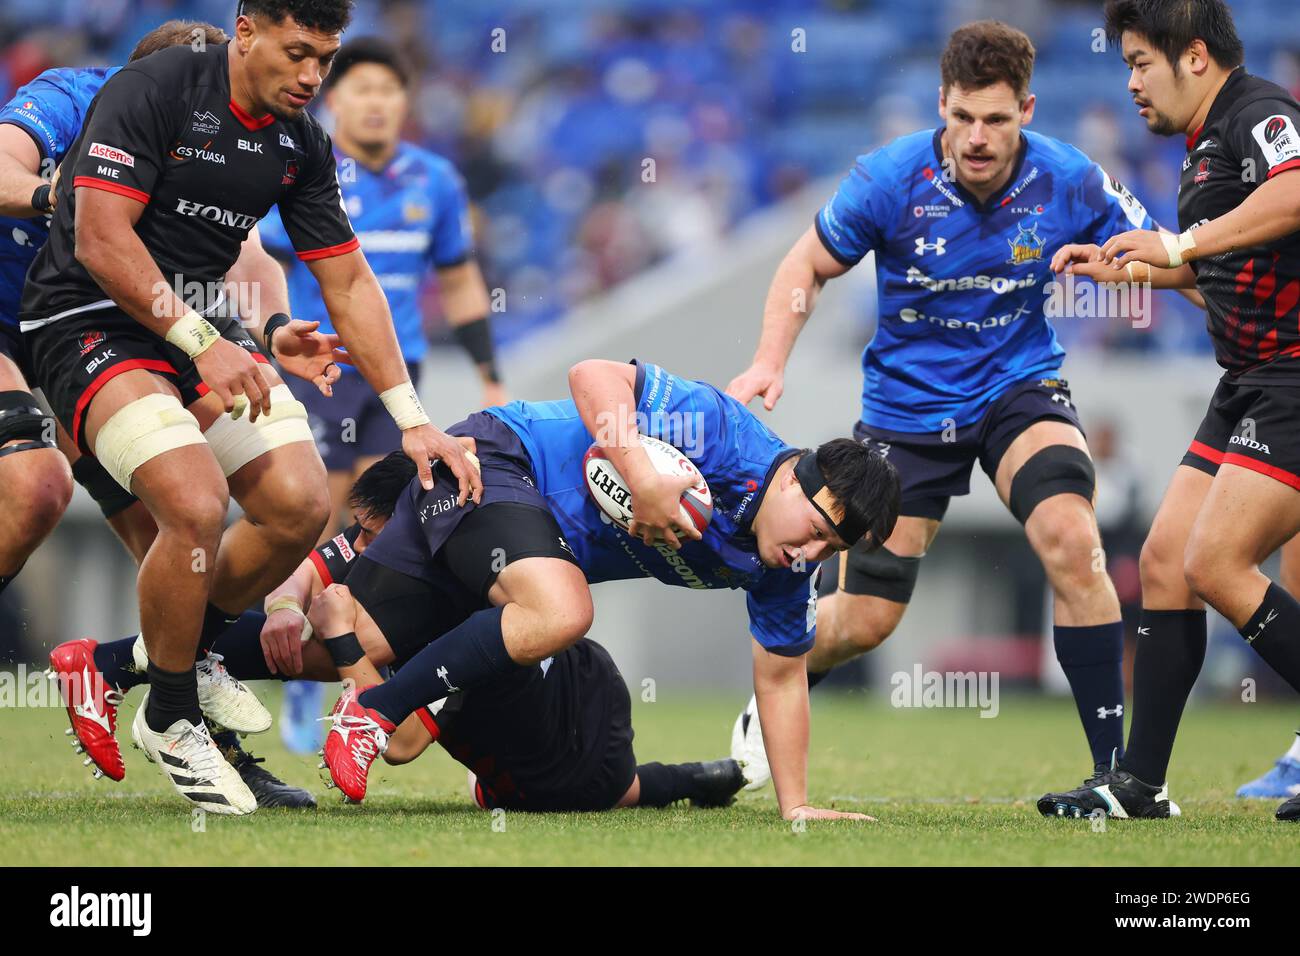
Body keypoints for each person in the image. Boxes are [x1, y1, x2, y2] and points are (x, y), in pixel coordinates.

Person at [20, 0, 480, 815]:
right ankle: (169, 713)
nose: (312, 76)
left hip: (197, 334)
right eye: (298, 52)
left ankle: (146, 664)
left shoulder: (300, 142)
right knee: (193, 506)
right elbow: (99, 238)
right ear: (247, 30)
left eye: (326, 59)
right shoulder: (150, 88)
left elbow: (344, 277)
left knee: (301, 505)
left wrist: (411, 417)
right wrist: (206, 337)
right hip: (82, 322)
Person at [724, 20, 1162, 790]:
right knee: (865, 620)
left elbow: (1164, 252)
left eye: (995, 119)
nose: (977, 138)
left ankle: (1118, 776)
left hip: (1017, 388)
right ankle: (776, 680)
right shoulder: (889, 178)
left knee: (1070, 534)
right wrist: (769, 358)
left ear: (1027, 110)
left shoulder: (1072, 177)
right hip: (906, 412)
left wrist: (1128, 271)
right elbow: (807, 264)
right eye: (961, 117)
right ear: (941, 106)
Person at [315, 358, 899, 821]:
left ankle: (226, 672)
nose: (812, 554)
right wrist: (642, 480)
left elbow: (781, 677)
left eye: (832, 551)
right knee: (563, 612)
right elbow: (592, 375)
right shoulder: (724, 434)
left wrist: (795, 805)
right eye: (817, 533)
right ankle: (372, 709)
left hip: (520, 554)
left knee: (322, 644)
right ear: (796, 481)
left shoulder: (787, 569)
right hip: (502, 462)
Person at [1039, 0, 1300, 823]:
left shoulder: (1260, 113)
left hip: (1294, 373)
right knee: (1164, 561)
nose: (1130, 83)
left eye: (1140, 62)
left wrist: (1178, 245)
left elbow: (1296, 196)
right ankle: (1138, 786)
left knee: (1216, 562)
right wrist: (1137, 268)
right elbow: (1224, 260)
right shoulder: (1202, 149)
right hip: (1247, 377)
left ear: (1194, 57)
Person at [256, 36, 503, 752]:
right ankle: (298, 672)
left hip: (400, 380)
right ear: (334, 101)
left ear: (403, 103)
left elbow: (457, 279)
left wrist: (488, 369)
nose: (373, 102)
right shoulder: (303, 170)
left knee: (376, 527)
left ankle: (345, 674)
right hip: (325, 367)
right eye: (358, 90)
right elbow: (254, 258)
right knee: (322, 514)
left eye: (387, 91)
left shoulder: (436, 180)